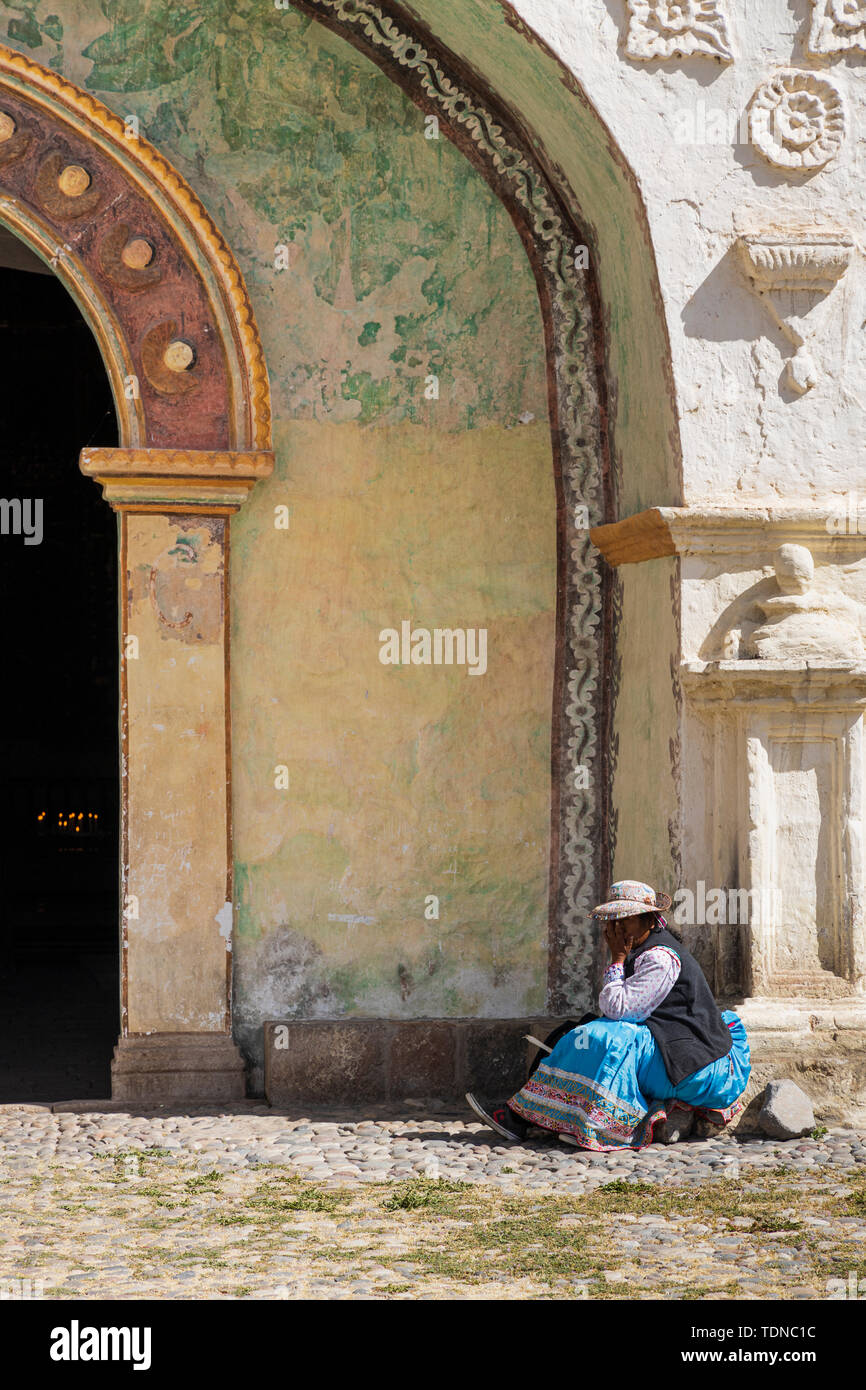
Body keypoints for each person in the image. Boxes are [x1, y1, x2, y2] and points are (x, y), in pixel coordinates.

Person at [466, 879, 751, 1150]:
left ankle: (603, 1126)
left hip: (699, 1067)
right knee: (578, 1033)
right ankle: (535, 1117)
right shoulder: (642, 950)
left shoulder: (659, 958)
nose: (618, 929)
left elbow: (619, 1011)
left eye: (626, 920)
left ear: (649, 921)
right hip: (680, 1054)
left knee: (597, 1038)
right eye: (613, 921)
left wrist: (616, 960)